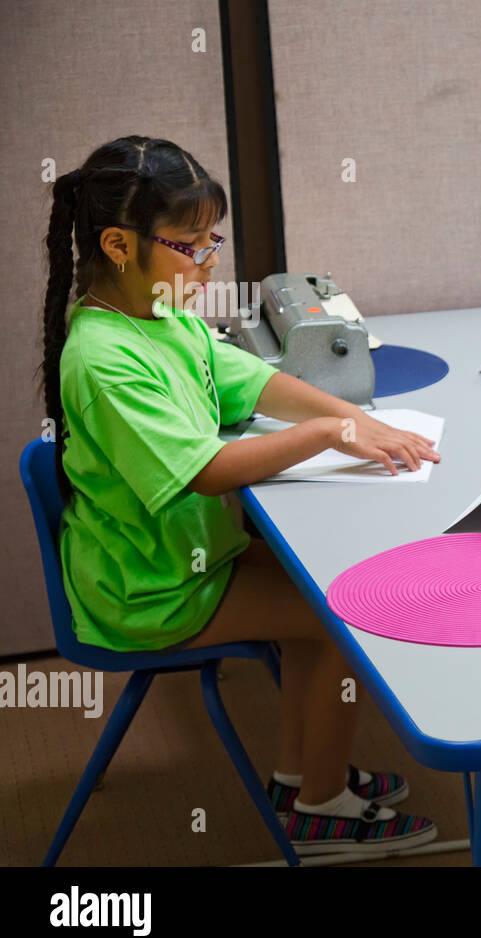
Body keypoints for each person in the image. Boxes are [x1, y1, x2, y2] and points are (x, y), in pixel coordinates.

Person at [40, 136, 441, 855]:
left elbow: (242, 379)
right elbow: (206, 471)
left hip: (180, 556)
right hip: (149, 588)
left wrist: (351, 417)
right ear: (119, 244)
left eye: (211, 239)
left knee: (324, 593)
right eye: (190, 244)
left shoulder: (161, 312)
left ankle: (304, 777)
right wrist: (329, 432)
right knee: (342, 615)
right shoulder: (102, 357)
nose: (210, 260)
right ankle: (319, 807)